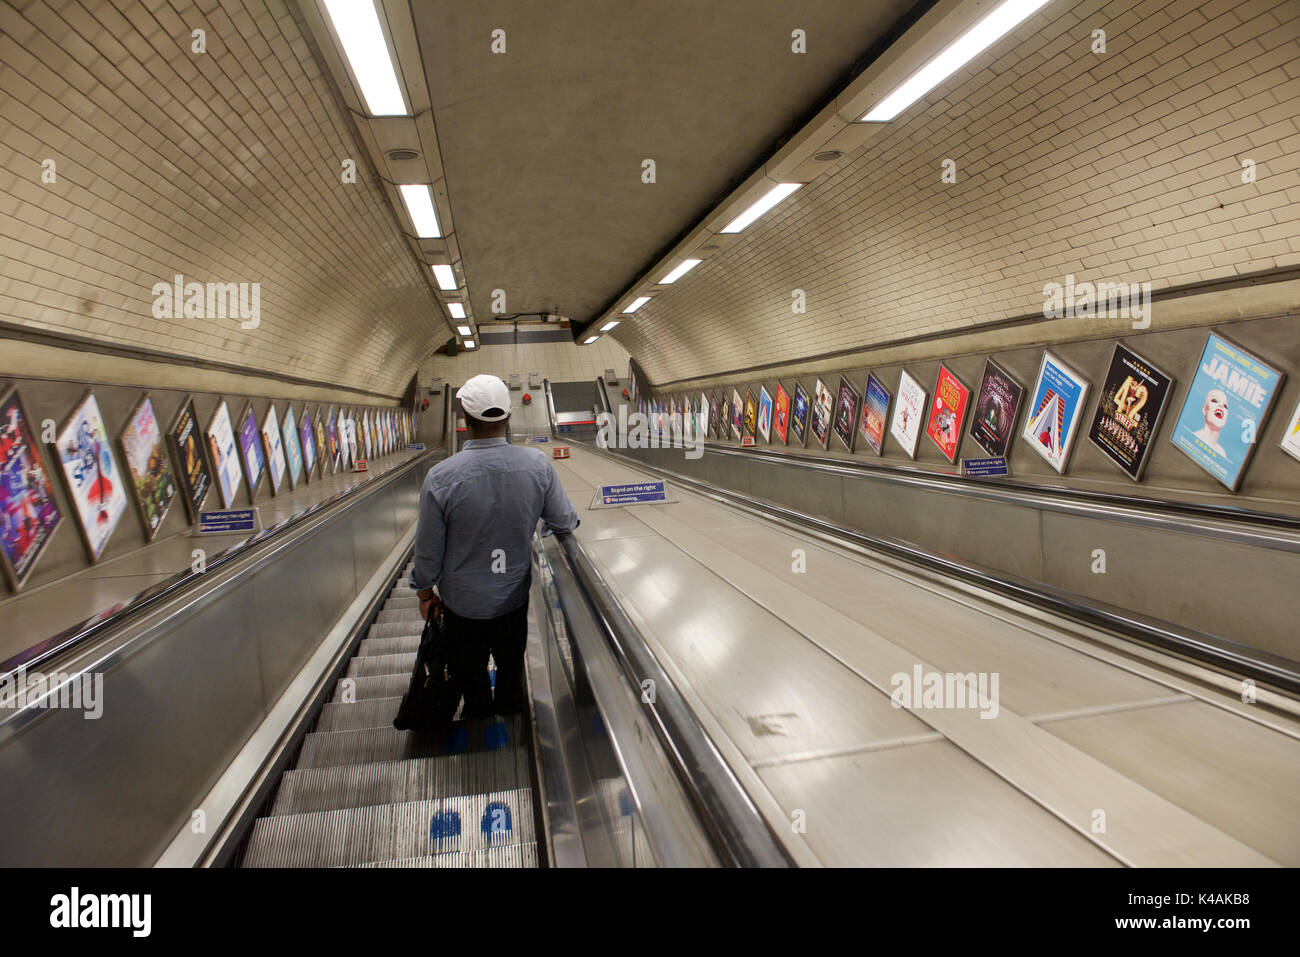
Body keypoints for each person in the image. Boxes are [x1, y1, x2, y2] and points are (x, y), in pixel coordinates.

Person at [410, 374, 579, 717]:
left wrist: (426, 594)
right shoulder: (536, 465)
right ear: (508, 416)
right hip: (513, 599)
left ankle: (479, 722)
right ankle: (511, 717)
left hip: (461, 606)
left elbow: (427, 550)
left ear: (465, 419)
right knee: (511, 668)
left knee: (469, 674)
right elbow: (565, 521)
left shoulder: (441, 477)